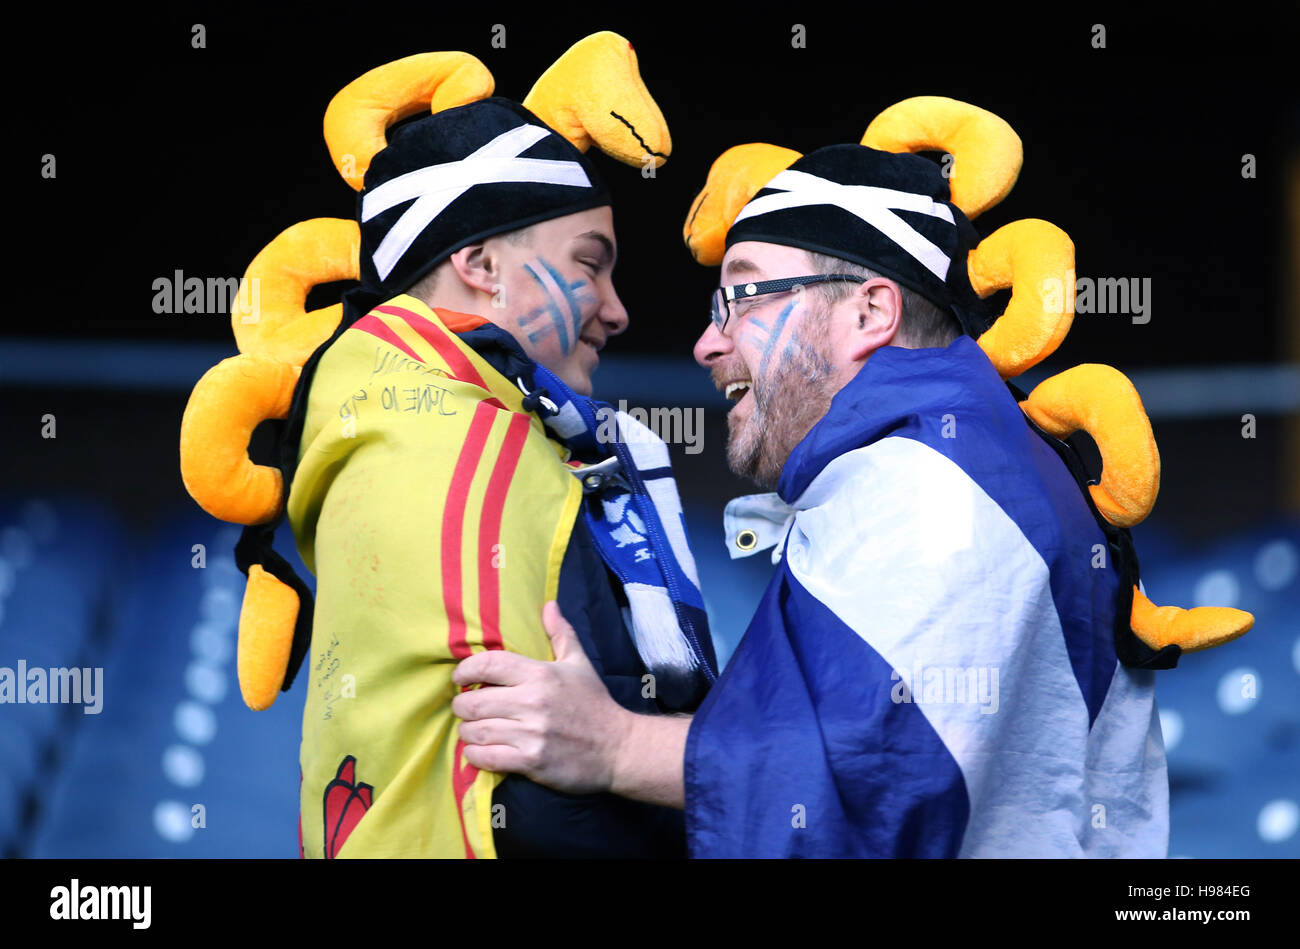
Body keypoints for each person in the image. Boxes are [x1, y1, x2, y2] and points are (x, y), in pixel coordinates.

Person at [451, 141, 1175, 857]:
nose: (706, 343)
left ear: (869, 314)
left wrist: (613, 744)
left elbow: (872, 774)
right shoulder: (957, 460)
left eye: (740, 296)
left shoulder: (938, 488)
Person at [286, 96, 716, 859]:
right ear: (480, 265)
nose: (617, 310)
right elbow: (554, 804)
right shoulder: (480, 442)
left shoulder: (376, 415)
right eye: (590, 263)